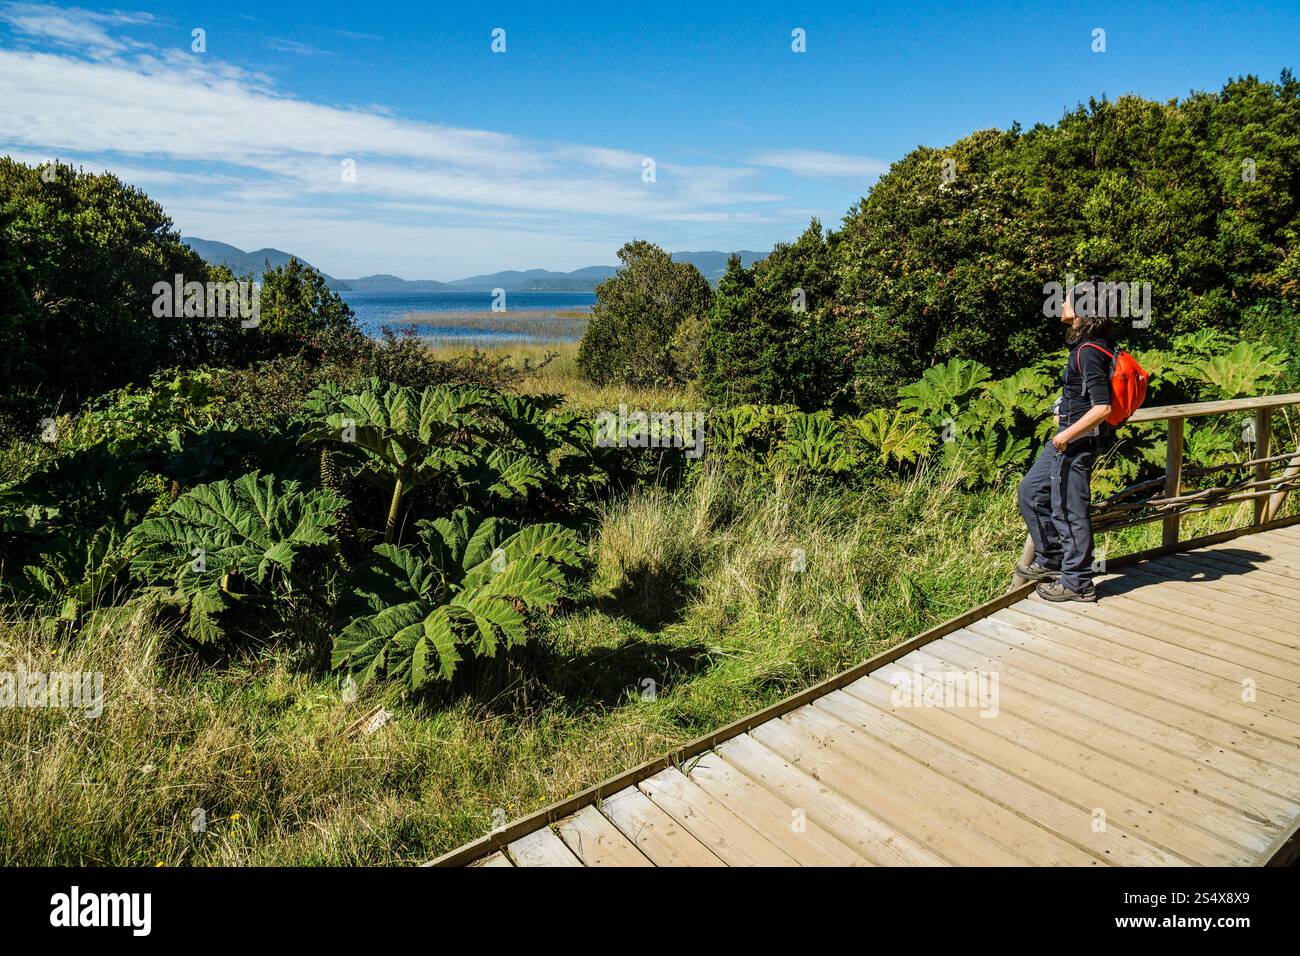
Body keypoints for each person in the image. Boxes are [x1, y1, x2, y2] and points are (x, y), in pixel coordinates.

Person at [1016, 277, 1117, 602]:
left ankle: (1078, 583)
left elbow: (1102, 406)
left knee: (1070, 510)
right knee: (1031, 491)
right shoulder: (1086, 345)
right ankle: (1052, 558)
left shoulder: (1089, 351)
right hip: (1067, 436)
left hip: (1076, 442)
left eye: (1067, 300)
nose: (1060, 305)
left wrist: (1066, 436)